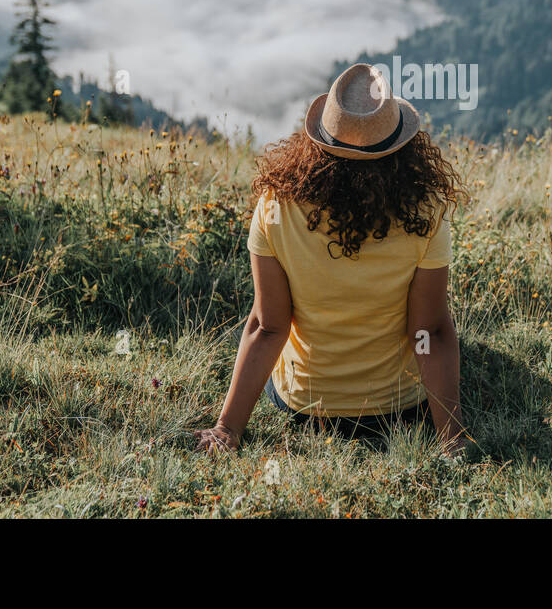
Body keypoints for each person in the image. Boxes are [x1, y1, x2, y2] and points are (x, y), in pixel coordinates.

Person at [195, 63, 467, 455]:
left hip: (306, 408)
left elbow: (268, 327)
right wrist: (452, 440)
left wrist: (227, 428)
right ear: (401, 150)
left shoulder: (276, 207)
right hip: (398, 411)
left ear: (318, 144)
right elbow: (429, 334)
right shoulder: (425, 211)